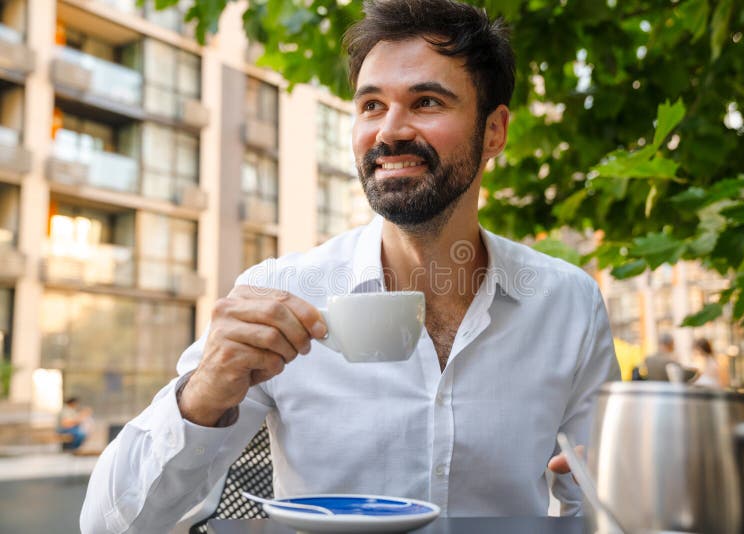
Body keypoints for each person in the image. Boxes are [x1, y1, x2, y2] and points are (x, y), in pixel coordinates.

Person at [81, 1, 619, 531]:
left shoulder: (568, 304)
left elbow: (601, 508)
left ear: (494, 131)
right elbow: (111, 525)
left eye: (426, 101)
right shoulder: (275, 292)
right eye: (370, 105)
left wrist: (618, 491)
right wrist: (202, 393)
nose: (389, 131)